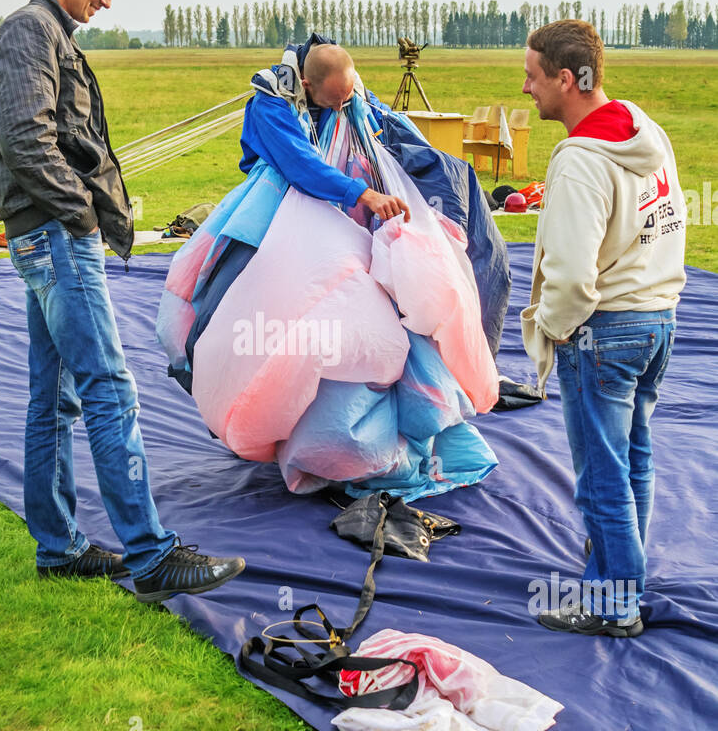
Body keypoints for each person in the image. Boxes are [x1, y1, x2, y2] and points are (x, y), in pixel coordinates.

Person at [0, 0, 245, 603]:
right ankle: (152, 554)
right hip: (55, 237)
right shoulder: (29, 31)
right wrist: (82, 215)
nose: (105, 1)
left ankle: (59, 548)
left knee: (55, 399)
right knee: (108, 388)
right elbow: (25, 136)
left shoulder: (50, 34)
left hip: (48, 233)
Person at [158, 34, 502, 502]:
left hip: (343, 215)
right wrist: (361, 194)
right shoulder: (271, 102)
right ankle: (265, 416)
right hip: (279, 218)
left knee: (372, 312)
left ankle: (370, 442)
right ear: (306, 83)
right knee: (237, 300)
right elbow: (300, 162)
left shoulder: (349, 99)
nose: (343, 107)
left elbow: (379, 128)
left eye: (348, 97)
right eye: (333, 100)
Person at [520, 20, 686, 637]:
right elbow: (670, 221)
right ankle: (619, 577)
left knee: (600, 477)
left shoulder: (580, 164)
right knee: (633, 456)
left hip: (604, 333)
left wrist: (554, 332)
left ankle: (614, 603)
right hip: (657, 320)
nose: (527, 88)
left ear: (566, 79)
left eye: (533, 77)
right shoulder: (646, 131)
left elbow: (569, 275)